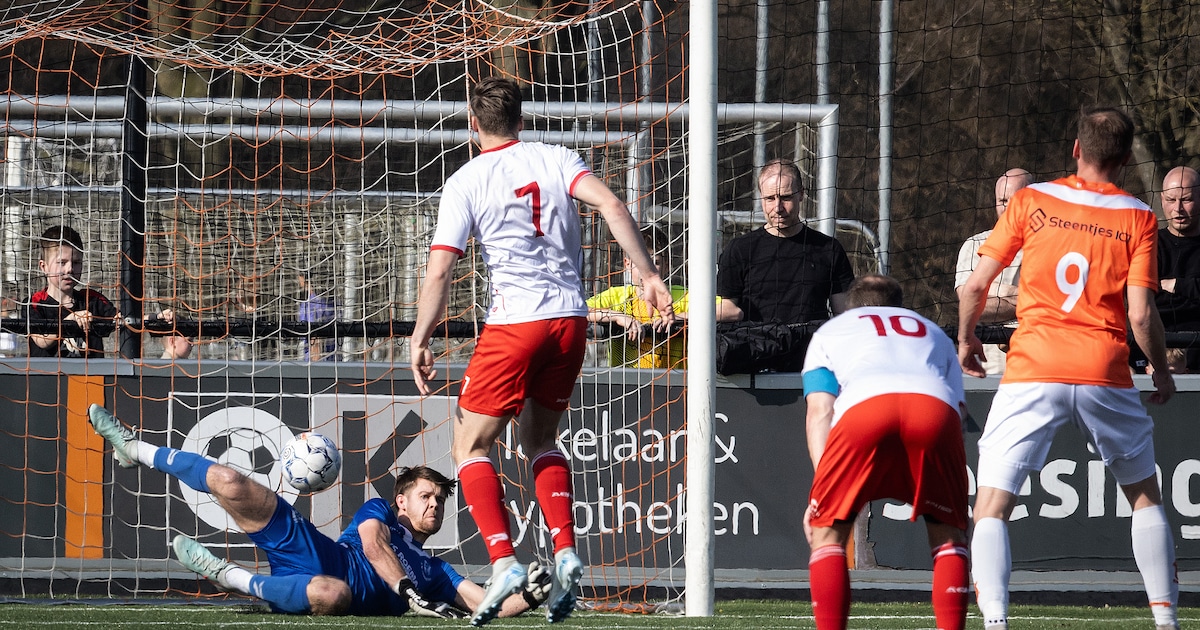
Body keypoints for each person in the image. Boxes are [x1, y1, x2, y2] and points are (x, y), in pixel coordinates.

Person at [409, 76, 674, 627]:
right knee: (541, 441)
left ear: (473, 124)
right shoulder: (556, 157)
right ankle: (566, 551)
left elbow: (440, 269)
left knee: (469, 446)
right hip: (571, 322)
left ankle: (504, 562)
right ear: (522, 120)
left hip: (516, 324)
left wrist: (421, 336)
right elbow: (612, 203)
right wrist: (648, 274)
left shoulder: (466, 179)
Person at [958, 106, 1179, 630]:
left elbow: (974, 285)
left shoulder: (1030, 200)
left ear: (1077, 149)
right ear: (1125, 160)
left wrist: (966, 339)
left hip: (1034, 365)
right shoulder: (1139, 216)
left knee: (991, 505)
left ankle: (995, 622)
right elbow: (1141, 314)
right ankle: (1167, 620)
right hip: (1103, 367)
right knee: (1144, 497)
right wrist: (1161, 370)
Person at [85, 403, 551, 618]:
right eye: (426, 495)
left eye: (441, 499)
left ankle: (228, 575)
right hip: (320, 552)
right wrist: (407, 590)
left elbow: (484, 603)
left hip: (330, 587)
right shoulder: (379, 512)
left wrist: (528, 598)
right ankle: (135, 448)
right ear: (401, 501)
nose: (435, 503)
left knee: (334, 595)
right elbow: (372, 545)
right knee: (230, 481)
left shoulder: (437, 571)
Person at [801, 274, 969, 630]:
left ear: (850, 306)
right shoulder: (933, 332)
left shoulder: (831, 331)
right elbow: (958, 410)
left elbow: (820, 411)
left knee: (827, 534)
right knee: (948, 536)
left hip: (865, 411)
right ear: (899, 306)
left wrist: (822, 488)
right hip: (934, 412)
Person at [716, 159, 855, 325]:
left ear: (801, 194)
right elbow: (728, 309)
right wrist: (689, 316)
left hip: (810, 341)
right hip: (755, 341)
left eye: (786, 197)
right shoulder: (740, 249)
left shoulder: (828, 249)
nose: (778, 208)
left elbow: (845, 316)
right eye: (770, 198)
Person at [954, 168, 1033, 375]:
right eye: (1002, 201)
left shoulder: (1050, 245)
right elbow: (970, 303)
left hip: (1036, 363)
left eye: (1015, 200)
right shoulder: (975, 245)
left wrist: (993, 293)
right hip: (986, 366)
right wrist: (1027, 299)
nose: (1007, 208)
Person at [586, 225, 689, 369]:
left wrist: (678, 317)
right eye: (639, 263)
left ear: (667, 266)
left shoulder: (680, 296)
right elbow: (581, 309)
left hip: (672, 379)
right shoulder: (617, 296)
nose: (646, 270)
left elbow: (720, 310)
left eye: (655, 262)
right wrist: (617, 316)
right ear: (627, 264)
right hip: (624, 379)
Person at [1131, 165, 1200, 373]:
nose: (1177, 208)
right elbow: (1142, 304)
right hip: (1153, 359)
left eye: (1186, 200)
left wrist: (1176, 285)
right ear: (1161, 199)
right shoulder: (1148, 244)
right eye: (1171, 200)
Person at [26, 225, 118, 358]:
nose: (70, 269)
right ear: (44, 266)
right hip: (46, 371)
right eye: (62, 262)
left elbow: (122, 320)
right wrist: (70, 320)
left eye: (76, 262)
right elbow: (42, 341)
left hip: (90, 372)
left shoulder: (92, 300)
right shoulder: (34, 303)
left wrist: (149, 319)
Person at [298, 273, 337, 361]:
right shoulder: (331, 302)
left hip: (319, 360)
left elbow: (315, 336)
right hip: (331, 357)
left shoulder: (313, 304)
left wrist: (316, 361)